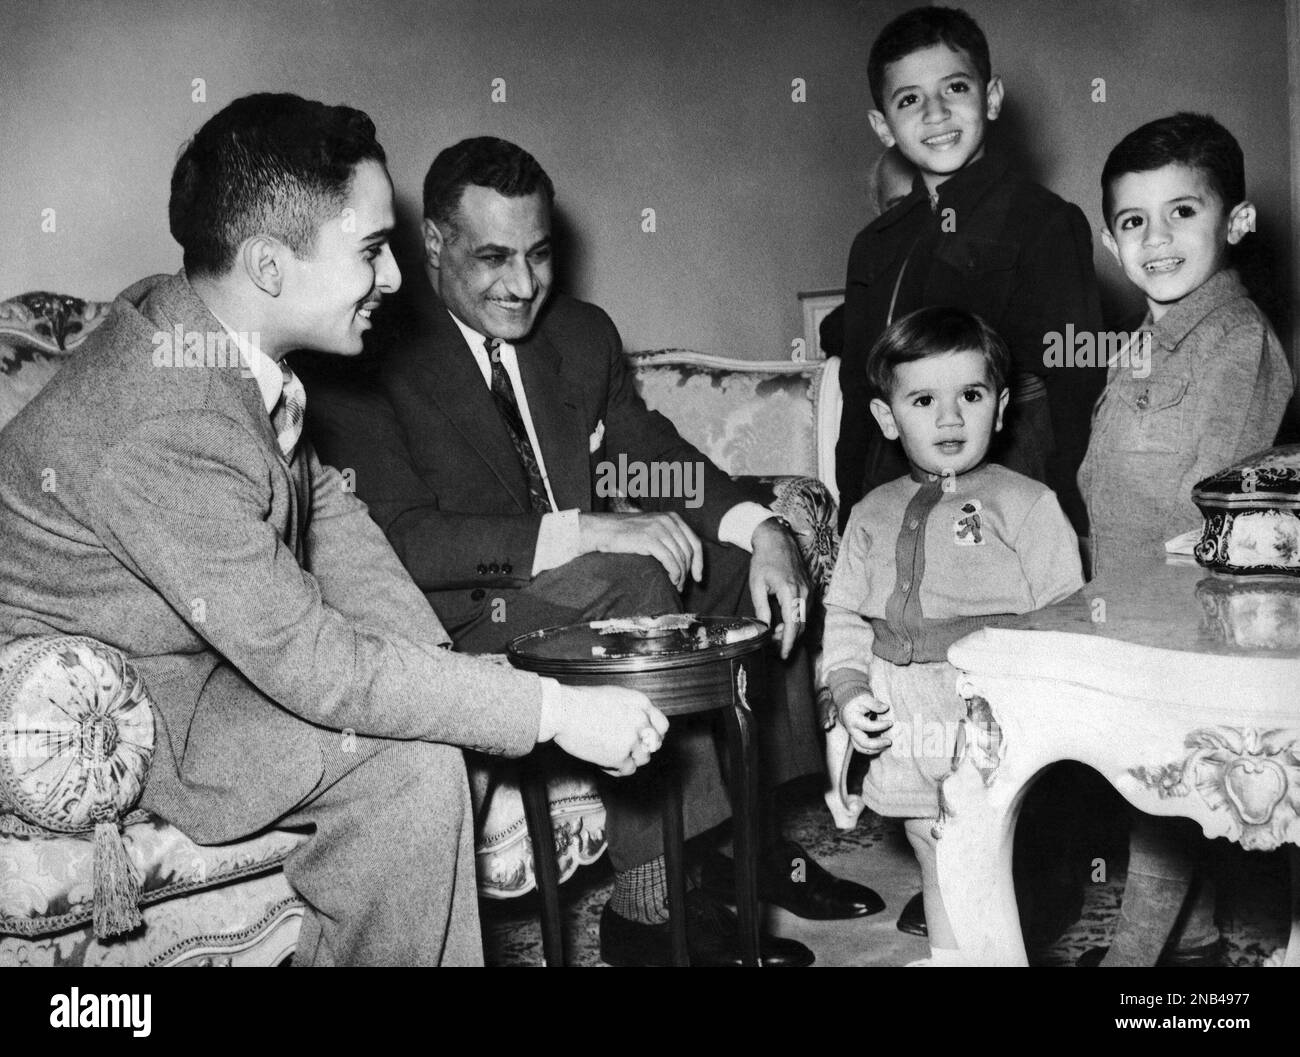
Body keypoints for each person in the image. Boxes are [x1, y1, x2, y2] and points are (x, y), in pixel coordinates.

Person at [0, 93, 670, 966]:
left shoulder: (209, 331)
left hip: (200, 652)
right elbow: (315, 664)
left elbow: (343, 535)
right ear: (270, 266)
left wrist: (457, 684)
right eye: (372, 251)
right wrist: (550, 711)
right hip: (117, 704)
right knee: (411, 770)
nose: (395, 279)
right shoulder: (163, 419)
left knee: (425, 747)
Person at [299, 135, 884, 968]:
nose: (523, 283)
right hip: (463, 610)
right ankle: (648, 915)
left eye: (538, 254)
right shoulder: (363, 351)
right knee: (639, 573)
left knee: (736, 579)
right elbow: (406, 538)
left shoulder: (576, 333)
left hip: (583, 586)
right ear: (431, 244)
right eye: (493, 256)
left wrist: (763, 531)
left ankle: (755, 858)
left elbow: (650, 450)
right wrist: (586, 529)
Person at [1076, 112, 1293, 967]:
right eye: (1134, 222)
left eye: (1183, 213)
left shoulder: (1240, 341)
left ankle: (1133, 961)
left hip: (1179, 613)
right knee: (1140, 784)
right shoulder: (1137, 342)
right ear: (1110, 237)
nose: (1156, 240)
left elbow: (1221, 507)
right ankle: (1194, 944)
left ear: (1235, 222)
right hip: (1119, 597)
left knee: (1159, 797)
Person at [822, 305, 1084, 965]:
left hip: (982, 704)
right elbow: (847, 613)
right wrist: (849, 689)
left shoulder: (1026, 504)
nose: (949, 417)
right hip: (899, 704)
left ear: (999, 409)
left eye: (970, 395)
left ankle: (995, 953)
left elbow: (1067, 616)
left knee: (983, 846)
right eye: (923, 398)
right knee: (930, 838)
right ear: (887, 417)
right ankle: (953, 955)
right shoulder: (871, 512)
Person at [835, 5, 1104, 536]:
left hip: (1006, 494)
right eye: (909, 99)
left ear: (992, 97)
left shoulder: (1044, 221)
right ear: (883, 127)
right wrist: (852, 513)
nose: (935, 113)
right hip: (892, 496)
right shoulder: (873, 245)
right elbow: (856, 393)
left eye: (955, 88)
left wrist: (1068, 520)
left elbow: (1076, 387)